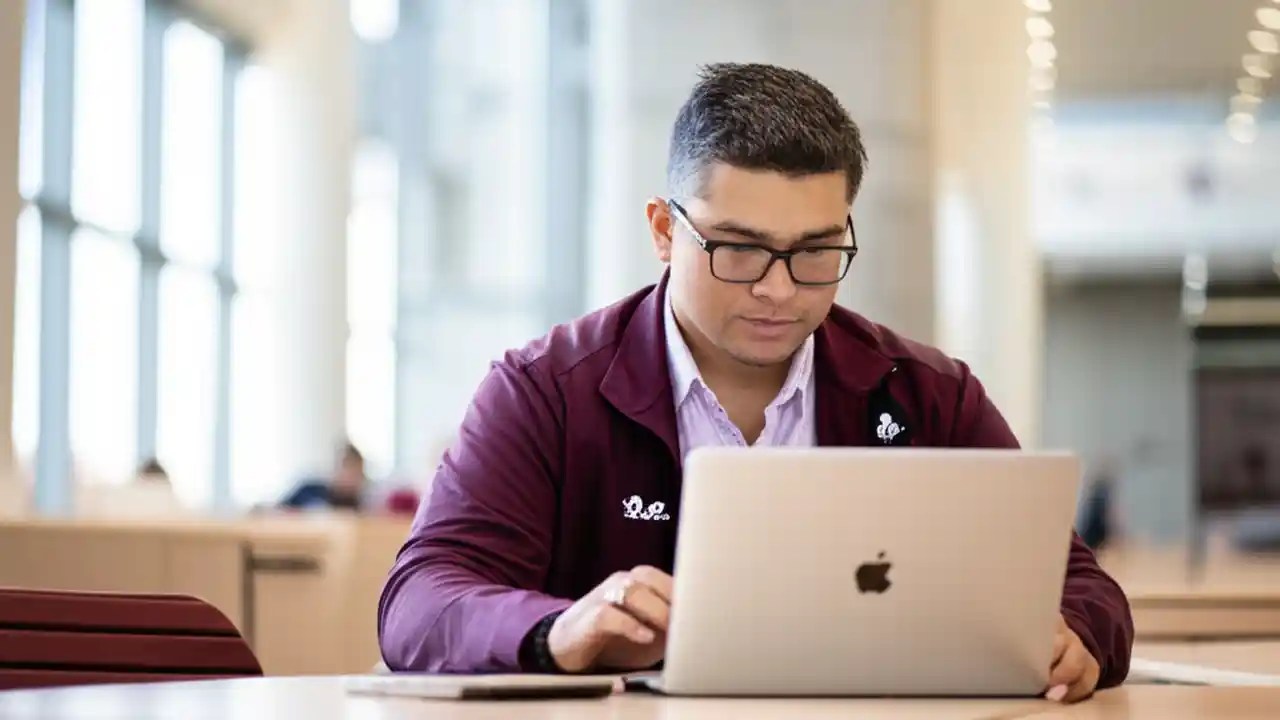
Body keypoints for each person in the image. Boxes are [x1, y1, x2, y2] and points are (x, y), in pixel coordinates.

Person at [378, 63, 1132, 703]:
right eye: (738, 249)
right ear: (664, 231)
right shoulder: (546, 391)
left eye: (816, 252)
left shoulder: (927, 394)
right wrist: (555, 630)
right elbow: (419, 602)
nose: (779, 289)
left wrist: (1075, 637)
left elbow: (1083, 590)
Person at [279, 441, 368, 511]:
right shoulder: (309, 492)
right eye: (346, 467)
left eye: (355, 472)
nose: (349, 477)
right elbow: (279, 511)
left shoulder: (364, 506)